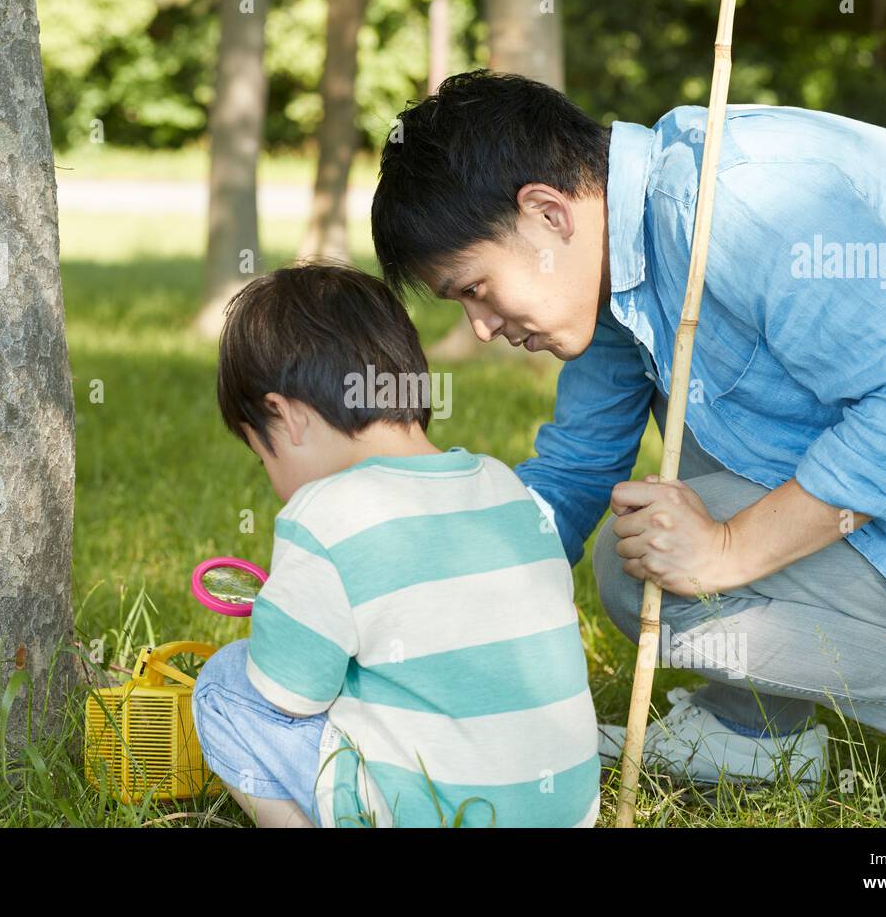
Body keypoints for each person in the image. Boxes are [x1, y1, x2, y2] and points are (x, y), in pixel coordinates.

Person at [370, 70, 886, 828]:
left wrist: (728, 550)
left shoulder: (738, 205)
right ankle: (750, 732)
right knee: (647, 552)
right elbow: (573, 473)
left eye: (474, 288)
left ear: (546, 211)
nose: (482, 329)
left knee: (661, 564)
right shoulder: (619, 260)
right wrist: (427, 601)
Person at [191, 263, 599, 827]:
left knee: (223, 684)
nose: (273, 477)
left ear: (283, 417)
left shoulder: (322, 515)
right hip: (565, 811)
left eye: (262, 456)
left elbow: (289, 697)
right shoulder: (508, 488)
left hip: (425, 815)